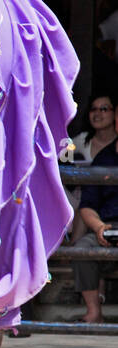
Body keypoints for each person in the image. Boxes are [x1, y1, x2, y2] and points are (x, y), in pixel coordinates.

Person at [73, 92, 118, 324]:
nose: (98, 114)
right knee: (82, 248)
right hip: (108, 225)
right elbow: (88, 205)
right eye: (94, 109)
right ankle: (94, 312)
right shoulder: (102, 158)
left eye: (105, 109)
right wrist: (100, 228)